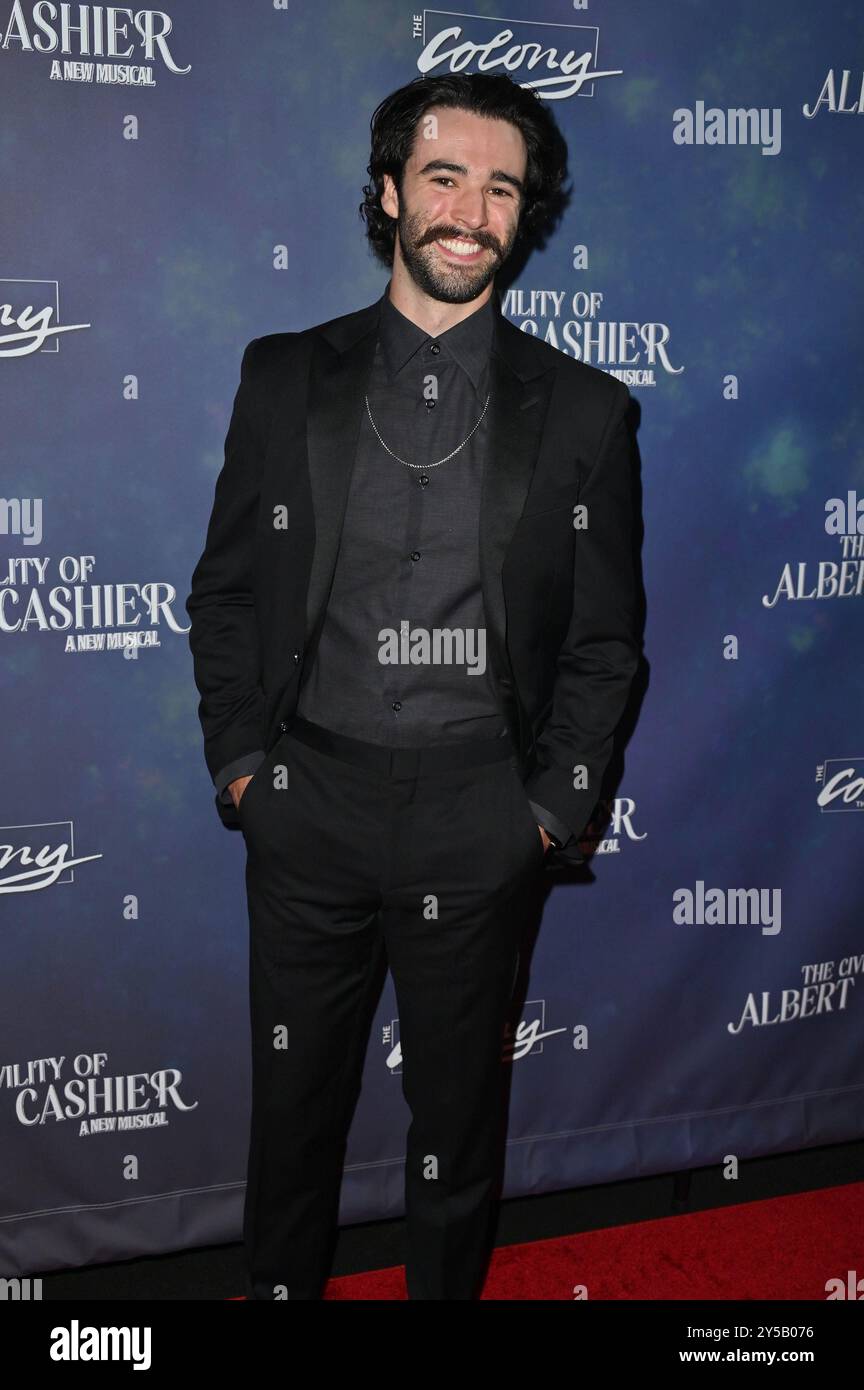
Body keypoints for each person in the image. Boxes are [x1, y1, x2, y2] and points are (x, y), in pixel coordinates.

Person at [186, 71, 641, 1300]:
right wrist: (245, 768)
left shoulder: (591, 414)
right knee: (292, 1126)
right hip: (307, 806)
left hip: (479, 818)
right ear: (389, 193)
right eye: (445, 177)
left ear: (523, 217)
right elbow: (224, 592)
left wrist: (543, 814)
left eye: (502, 189)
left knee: (455, 1142)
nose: (471, 210)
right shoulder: (285, 378)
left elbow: (607, 646)